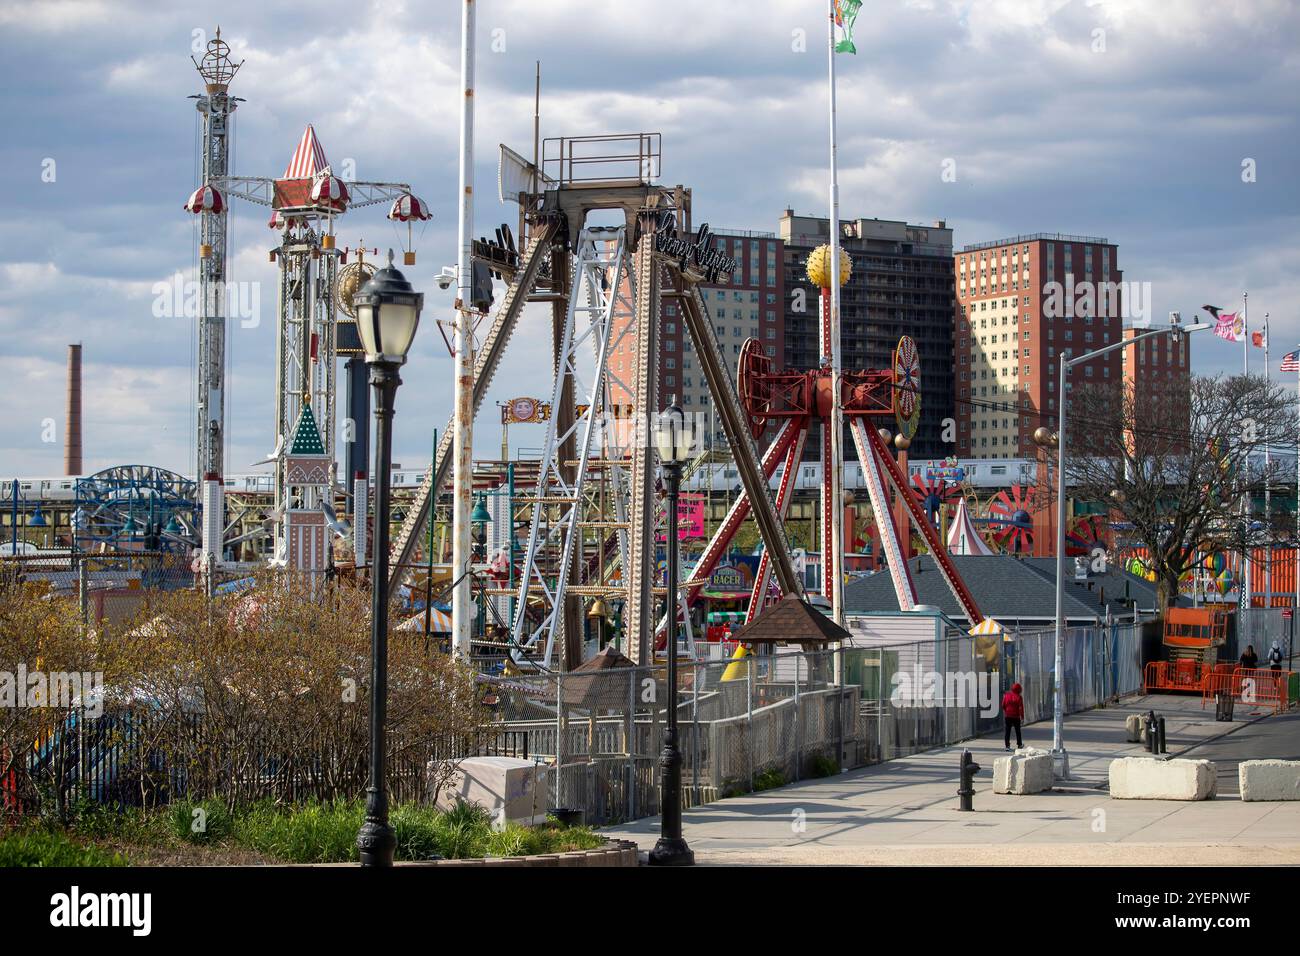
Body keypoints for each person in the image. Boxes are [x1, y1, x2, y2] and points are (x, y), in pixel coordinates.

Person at [1001, 682, 1024, 751]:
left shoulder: (1006, 695)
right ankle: (1019, 744)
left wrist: (1006, 711)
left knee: (1007, 731)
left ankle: (1007, 746)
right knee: (1018, 731)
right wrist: (1022, 717)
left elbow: (1003, 705)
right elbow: (1021, 708)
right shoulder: (1019, 697)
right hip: (1016, 717)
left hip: (1008, 716)